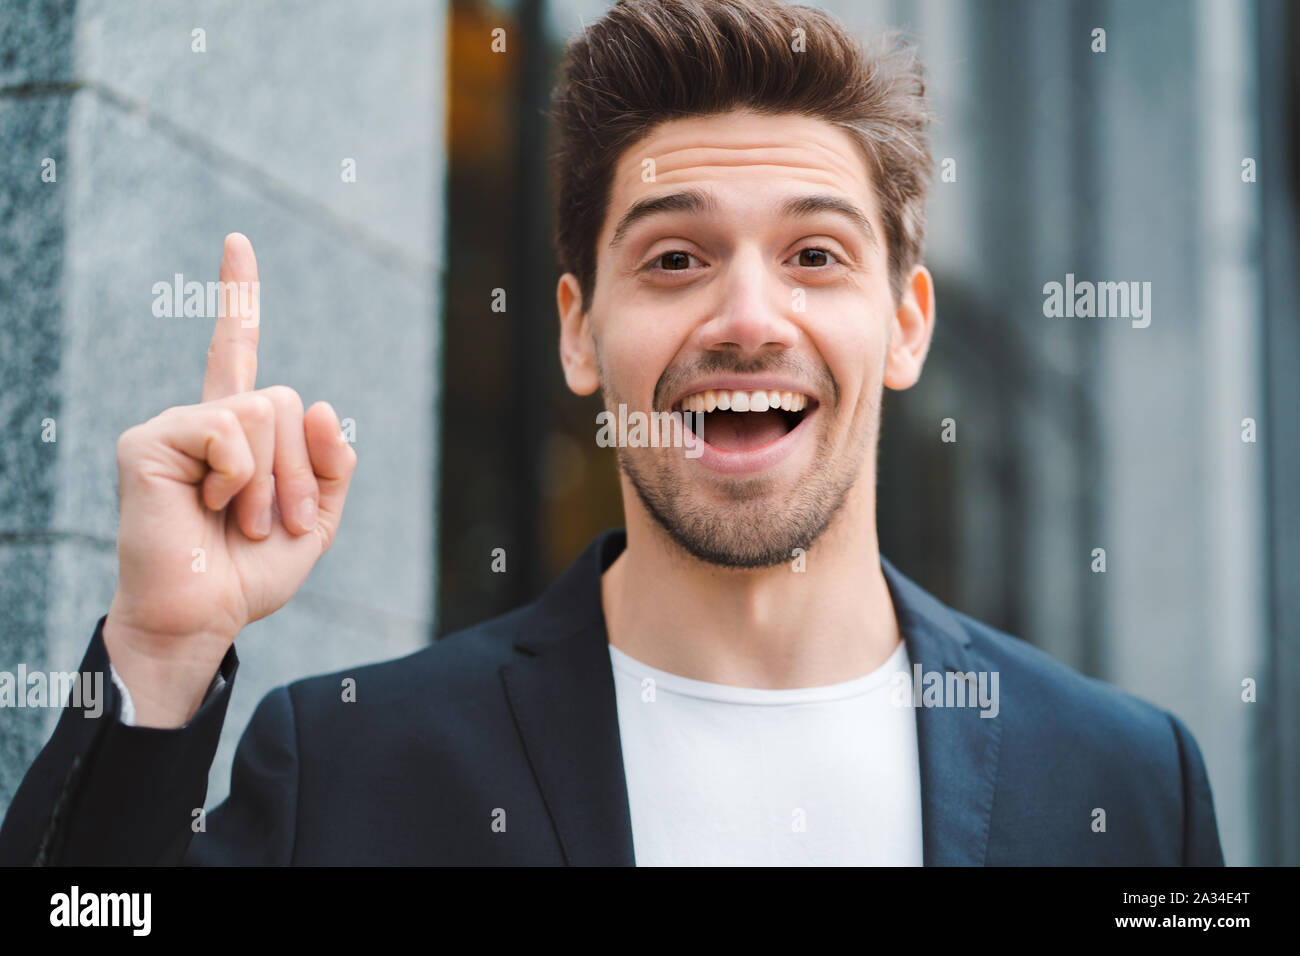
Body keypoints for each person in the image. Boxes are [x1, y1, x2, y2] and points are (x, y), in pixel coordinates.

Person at [0, 0, 1222, 866]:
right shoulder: (353, 763)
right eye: (676, 257)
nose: (748, 317)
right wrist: (158, 659)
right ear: (580, 334)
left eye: (814, 254)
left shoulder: (1124, 782)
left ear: (903, 327)